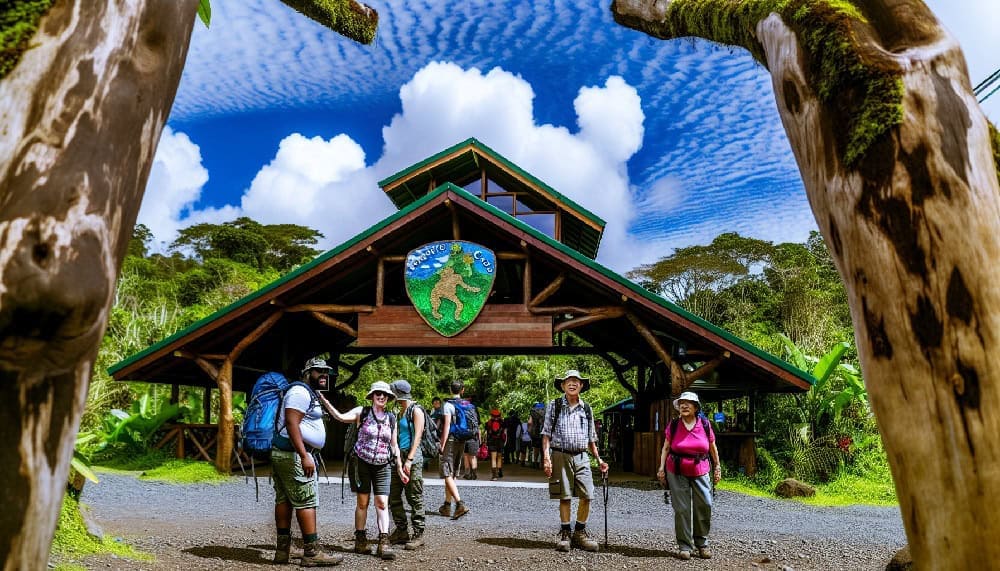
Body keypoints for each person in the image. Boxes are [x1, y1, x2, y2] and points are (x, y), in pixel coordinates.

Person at [320, 380, 405, 561]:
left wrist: (399, 466)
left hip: (383, 464)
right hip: (362, 463)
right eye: (377, 394)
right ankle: (360, 539)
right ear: (372, 396)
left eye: (384, 395)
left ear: (388, 398)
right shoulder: (362, 412)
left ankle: (383, 542)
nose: (381, 397)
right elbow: (340, 417)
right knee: (363, 502)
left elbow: (394, 444)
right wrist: (324, 401)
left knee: (382, 502)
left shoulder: (391, 418)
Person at [270, 358, 343, 566]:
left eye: (326, 372)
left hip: (286, 453)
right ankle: (311, 551)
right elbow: (292, 423)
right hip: (294, 455)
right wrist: (304, 455)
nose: (324, 375)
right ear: (307, 372)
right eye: (319, 371)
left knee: (284, 500)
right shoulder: (300, 393)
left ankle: (283, 550)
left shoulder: (305, 393)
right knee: (306, 500)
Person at [542, 370, 609, 553]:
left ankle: (579, 533)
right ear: (563, 386)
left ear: (581, 386)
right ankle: (565, 534)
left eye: (576, 381)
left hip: (582, 455)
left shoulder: (586, 408)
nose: (572, 384)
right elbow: (546, 434)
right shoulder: (554, 406)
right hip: (559, 454)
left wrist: (599, 459)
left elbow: (591, 438)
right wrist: (546, 458)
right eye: (568, 381)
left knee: (587, 494)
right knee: (564, 496)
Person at [657, 391, 721, 560]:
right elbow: (666, 448)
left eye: (688, 403)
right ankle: (685, 546)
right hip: (676, 470)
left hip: (701, 469)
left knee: (705, 504)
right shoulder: (674, 425)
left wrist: (717, 467)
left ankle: (702, 543)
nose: (684, 406)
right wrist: (661, 468)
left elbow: (713, 448)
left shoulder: (705, 424)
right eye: (681, 403)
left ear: (696, 407)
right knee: (682, 508)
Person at [387, 380, 428, 551]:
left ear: (398, 394)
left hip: (413, 457)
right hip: (399, 456)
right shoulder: (399, 410)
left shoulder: (416, 410)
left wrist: (409, 460)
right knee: (393, 495)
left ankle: (418, 534)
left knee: (414, 496)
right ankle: (402, 530)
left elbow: (418, 436)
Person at [437, 380, 472, 519]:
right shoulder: (467, 405)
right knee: (453, 474)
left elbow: (446, 427)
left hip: (451, 439)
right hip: (462, 440)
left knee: (446, 471)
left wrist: (442, 443)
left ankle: (459, 503)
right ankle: (447, 505)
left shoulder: (448, 405)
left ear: (450, 390)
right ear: (462, 390)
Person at [484, 409, 506, 480]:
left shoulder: (488, 423)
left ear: (492, 415)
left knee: (493, 458)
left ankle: (494, 476)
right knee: (499, 457)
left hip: (492, 441)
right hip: (500, 441)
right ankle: (500, 472)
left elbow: (486, 432)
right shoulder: (503, 422)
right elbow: (505, 433)